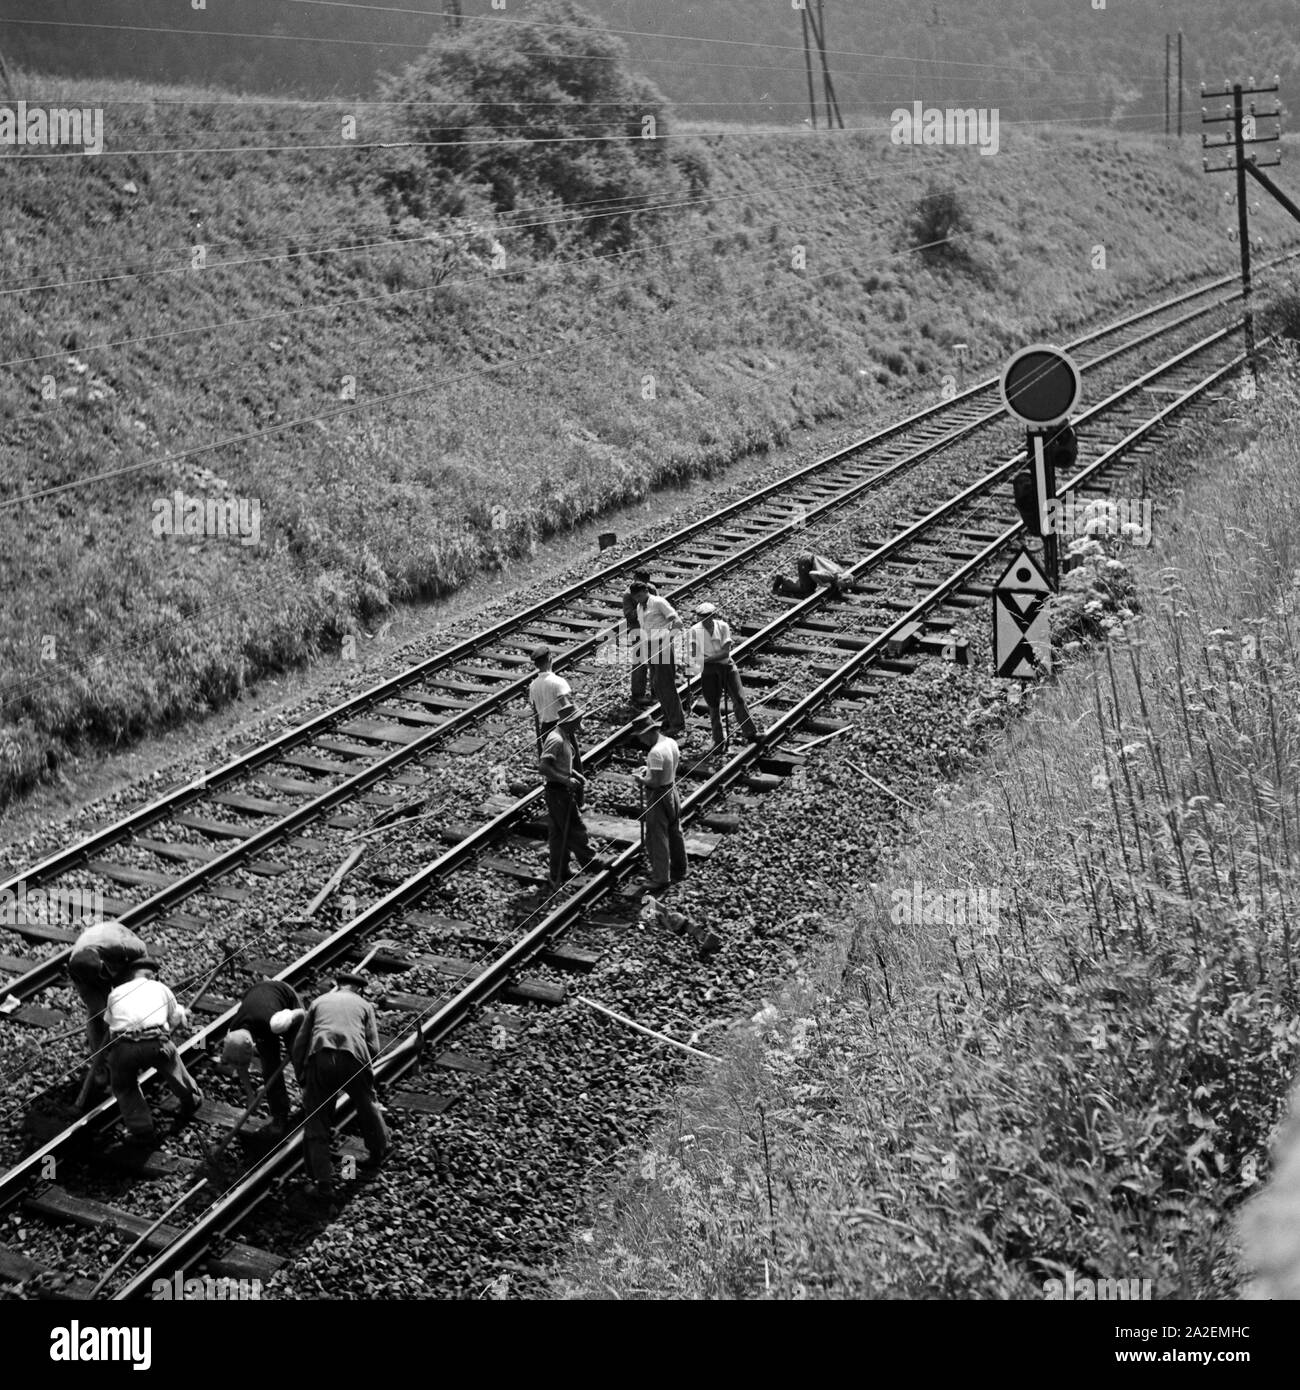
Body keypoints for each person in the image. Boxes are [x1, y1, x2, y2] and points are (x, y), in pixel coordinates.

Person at [292, 972, 389, 1204]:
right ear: (359, 990)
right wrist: (363, 1079)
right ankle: (377, 1154)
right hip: (354, 1058)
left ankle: (324, 1184)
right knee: (367, 1107)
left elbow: (300, 1044)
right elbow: (374, 1048)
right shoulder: (365, 1005)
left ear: (337, 986)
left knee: (316, 1120)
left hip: (321, 1057)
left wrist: (302, 1076)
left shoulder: (319, 1002)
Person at [104, 960, 203, 1144]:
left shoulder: (114, 993)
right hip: (156, 1041)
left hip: (123, 1046)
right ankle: (191, 1099)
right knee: (174, 1068)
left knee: (125, 1087)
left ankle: (142, 1129)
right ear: (152, 975)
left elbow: (110, 1026)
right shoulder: (159, 987)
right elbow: (175, 1019)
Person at [67, 920, 151, 1099]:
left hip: (126, 961)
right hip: (94, 971)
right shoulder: (76, 968)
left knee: (131, 1008)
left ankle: (140, 1051)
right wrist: (109, 1019)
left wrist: (138, 982)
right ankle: (101, 1066)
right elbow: (96, 1007)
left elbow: (142, 952)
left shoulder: (121, 945)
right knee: (98, 1017)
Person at [220, 979, 306, 1136]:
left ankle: (313, 1093)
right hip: (257, 996)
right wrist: (250, 1095)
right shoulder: (234, 1030)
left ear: (253, 1046)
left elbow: (302, 1016)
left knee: (298, 1054)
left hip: (284, 997)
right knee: (270, 1068)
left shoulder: (269, 1023)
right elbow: (241, 1064)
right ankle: (280, 1115)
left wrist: (296, 1046)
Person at [538, 699, 604, 890]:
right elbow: (543, 767)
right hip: (558, 792)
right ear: (569, 722)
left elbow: (561, 764)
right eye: (577, 721)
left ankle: (559, 870)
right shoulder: (556, 739)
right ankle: (592, 862)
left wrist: (574, 775)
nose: (579, 725)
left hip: (559, 790)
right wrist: (566, 780)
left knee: (558, 834)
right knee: (575, 827)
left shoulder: (564, 736)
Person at [687, 601, 760, 753]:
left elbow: (725, 653)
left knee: (739, 699)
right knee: (712, 703)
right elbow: (694, 654)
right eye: (701, 617)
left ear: (713, 615)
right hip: (709, 670)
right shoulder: (694, 630)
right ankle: (718, 738)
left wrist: (705, 659)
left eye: (707, 616)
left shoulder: (722, 626)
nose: (704, 620)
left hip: (726, 666)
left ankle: (750, 732)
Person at [629, 712, 687, 895]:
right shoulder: (670, 743)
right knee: (675, 830)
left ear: (648, 733)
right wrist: (649, 771)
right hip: (672, 791)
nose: (641, 741)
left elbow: (654, 782)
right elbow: (664, 771)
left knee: (657, 836)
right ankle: (680, 868)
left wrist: (641, 779)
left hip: (658, 796)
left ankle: (661, 877)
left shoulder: (654, 753)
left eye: (641, 737)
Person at [629, 581, 686, 737]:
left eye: (640, 595)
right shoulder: (640, 607)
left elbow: (678, 622)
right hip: (650, 645)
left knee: (666, 684)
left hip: (663, 644)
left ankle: (677, 723)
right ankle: (668, 718)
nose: (638, 599)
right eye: (635, 597)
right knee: (657, 684)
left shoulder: (658, 602)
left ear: (645, 591)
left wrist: (667, 643)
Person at [620, 569, 657, 706]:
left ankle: (656, 692)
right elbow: (629, 615)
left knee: (656, 662)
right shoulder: (628, 594)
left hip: (652, 630)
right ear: (634, 578)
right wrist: (643, 607)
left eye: (645, 584)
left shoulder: (651, 589)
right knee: (639, 663)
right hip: (637, 631)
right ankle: (637, 695)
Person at [527, 644, 571, 745]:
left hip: (545, 729)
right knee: (572, 757)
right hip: (560, 727)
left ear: (536, 665)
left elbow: (535, 709)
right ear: (550, 659)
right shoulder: (557, 681)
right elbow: (566, 707)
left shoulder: (533, 685)